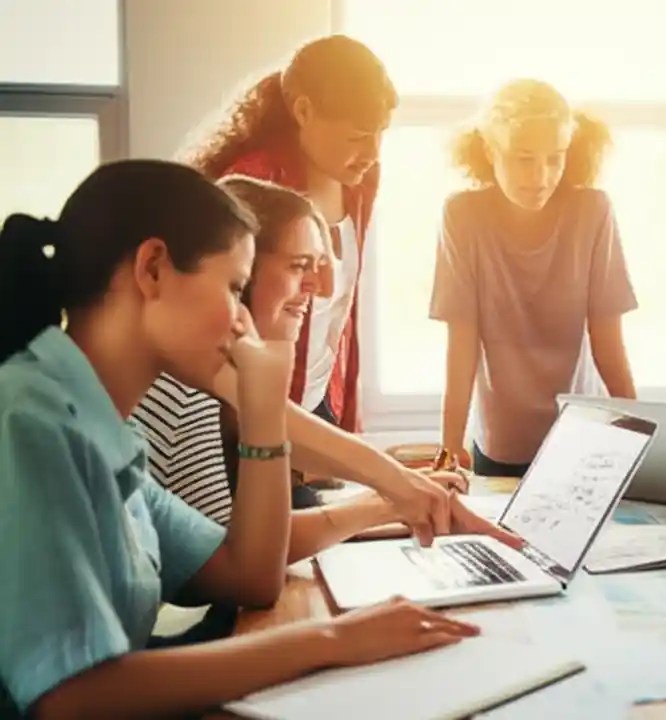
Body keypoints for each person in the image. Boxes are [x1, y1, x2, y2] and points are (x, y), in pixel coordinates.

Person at [0, 161, 477, 719]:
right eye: (233, 286)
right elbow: (72, 698)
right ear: (152, 269)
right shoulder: (29, 421)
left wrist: (263, 410)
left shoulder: (107, 431)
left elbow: (251, 573)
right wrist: (332, 641)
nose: (242, 318)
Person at [133, 176, 519, 556]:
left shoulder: (214, 376)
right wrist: (388, 499)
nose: (319, 286)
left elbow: (287, 430)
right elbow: (237, 559)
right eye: (299, 265)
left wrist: (402, 488)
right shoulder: (181, 396)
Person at [185, 35, 396, 507]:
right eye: (359, 135)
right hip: (253, 406)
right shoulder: (251, 188)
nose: (374, 151)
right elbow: (227, 335)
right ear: (303, 111)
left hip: (319, 397)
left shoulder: (361, 179)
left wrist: (344, 434)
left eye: (381, 132)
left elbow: (340, 309)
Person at [432, 78, 638, 478]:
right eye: (523, 159)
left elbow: (608, 341)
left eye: (555, 158)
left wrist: (645, 435)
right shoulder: (462, 215)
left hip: (581, 434)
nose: (541, 176)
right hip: (502, 442)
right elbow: (461, 342)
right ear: (490, 151)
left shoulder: (592, 210)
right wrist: (450, 445)